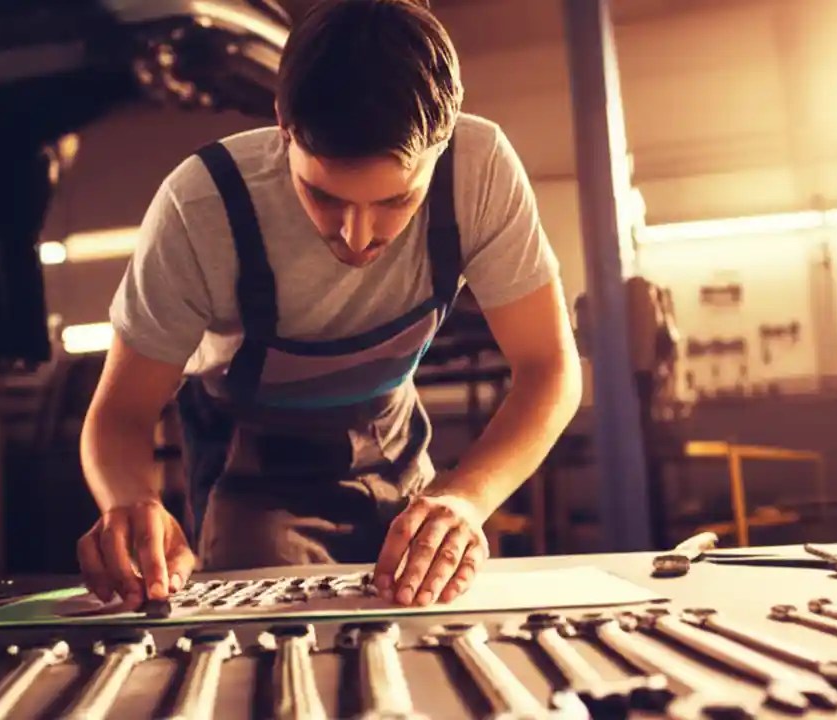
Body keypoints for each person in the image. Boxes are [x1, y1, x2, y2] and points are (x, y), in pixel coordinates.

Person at [76, 0, 581, 611]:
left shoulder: (479, 172)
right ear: (282, 121)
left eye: (396, 201)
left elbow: (549, 369)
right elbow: (120, 414)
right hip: (252, 490)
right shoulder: (202, 207)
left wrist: (464, 499)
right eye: (323, 196)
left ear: (443, 143)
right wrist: (131, 503)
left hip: (405, 475)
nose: (356, 237)